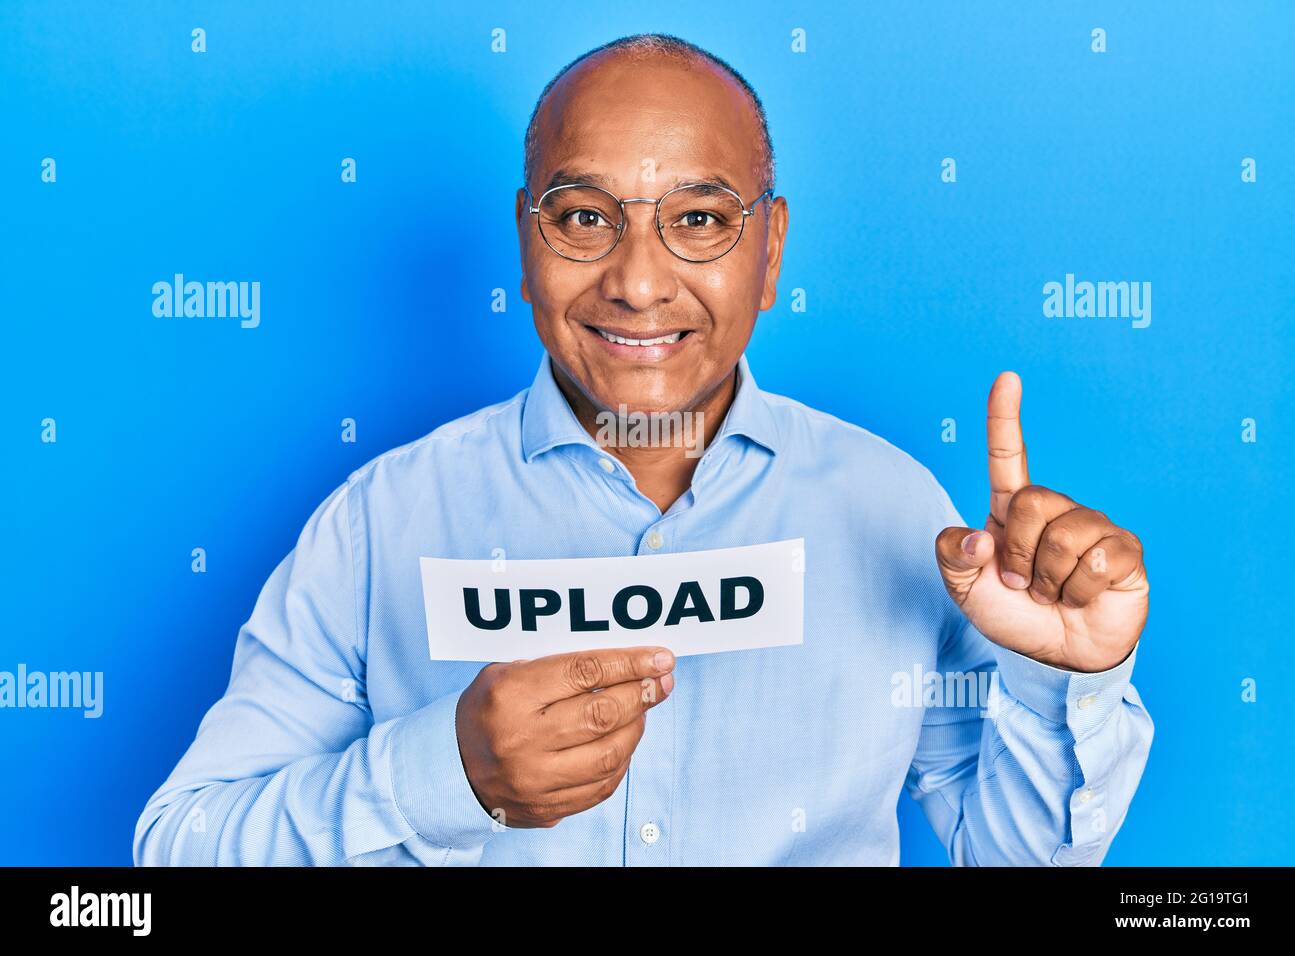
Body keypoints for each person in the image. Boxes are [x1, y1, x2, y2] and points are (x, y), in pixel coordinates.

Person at [135, 33, 1153, 866]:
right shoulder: (379, 521)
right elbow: (180, 849)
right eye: (583, 218)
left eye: (699, 221)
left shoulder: (893, 508)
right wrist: (445, 771)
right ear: (525, 248)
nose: (636, 280)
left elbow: (1019, 860)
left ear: (770, 251)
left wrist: (1068, 680)